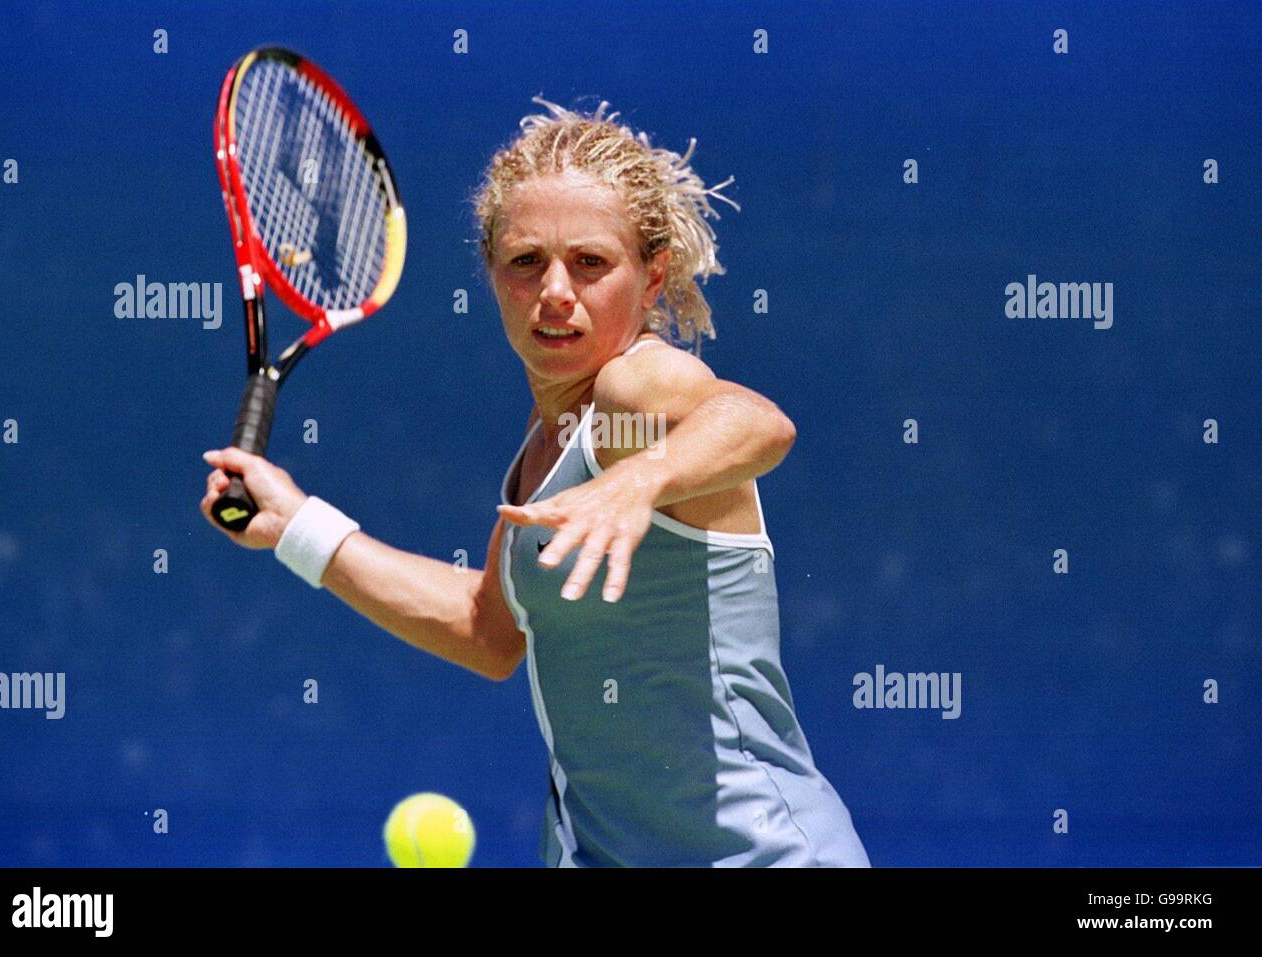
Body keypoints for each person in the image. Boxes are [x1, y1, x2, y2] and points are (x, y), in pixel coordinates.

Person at [201, 97, 870, 867]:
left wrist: (640, 480)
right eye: (526, 262)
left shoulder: (634, 394)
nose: (555, 290)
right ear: (491, 275)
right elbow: (489, 630)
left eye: (591, 263)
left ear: (652, 279)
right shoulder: (541, 451)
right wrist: (297, 525)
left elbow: (757, 423)